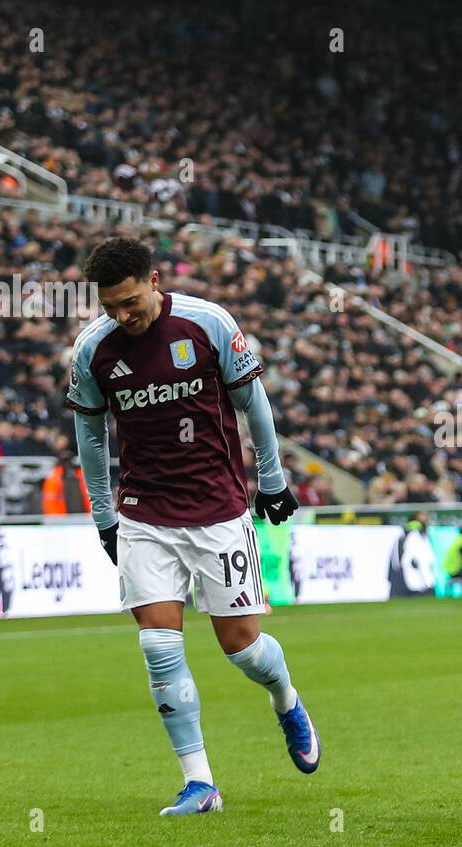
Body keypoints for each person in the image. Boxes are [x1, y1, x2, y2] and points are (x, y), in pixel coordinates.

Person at [68, 237, 317, 817]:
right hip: (143, 513)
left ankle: (286, 698)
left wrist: (272, 480)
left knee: (242, 649)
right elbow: (90, 438)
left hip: (218, 510)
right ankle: (199, 782)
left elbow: (254, 404)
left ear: (154, 280)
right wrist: (104, 516)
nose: (122, 316)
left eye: (130, 302)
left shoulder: (208, 323)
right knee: (158, 647)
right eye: (110, 307)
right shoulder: (92, 351)